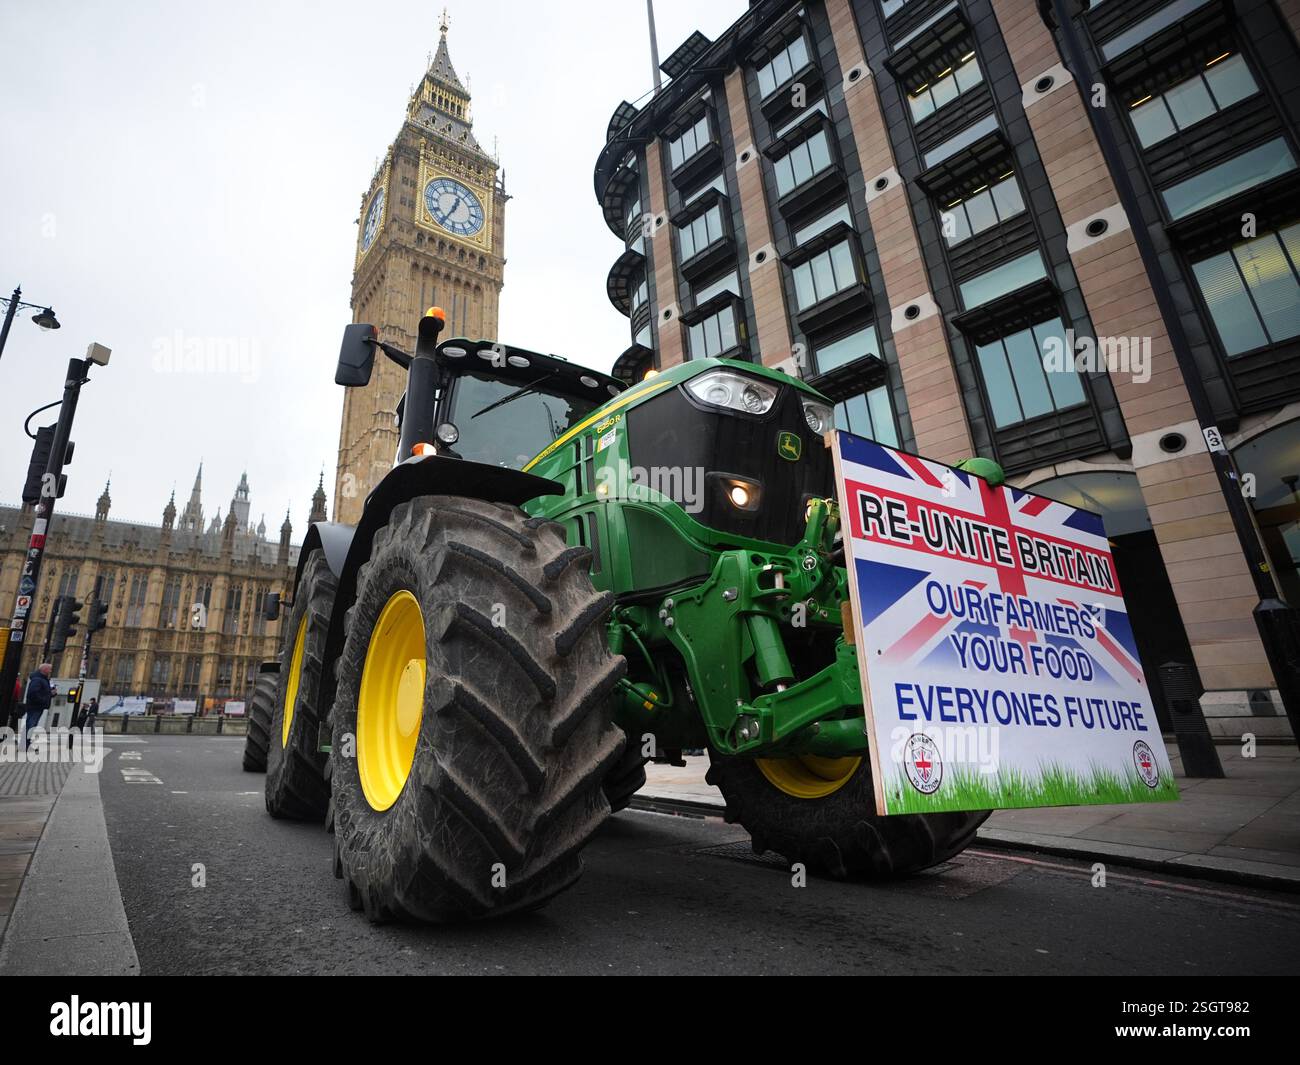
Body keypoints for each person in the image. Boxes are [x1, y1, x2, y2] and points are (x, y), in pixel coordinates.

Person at [22, 664, 54, 748]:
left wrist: (51, 694)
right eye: (49, 669)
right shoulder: (38, 679)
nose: (51, 671)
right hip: (35, 707)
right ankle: (24, 745)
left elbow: (42, 693)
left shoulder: (42, 679)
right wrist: (43, 701)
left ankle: (25, 744)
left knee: (31, 725)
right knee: (31, 725)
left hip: (37, 706)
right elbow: (32, 693)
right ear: (44, 670)